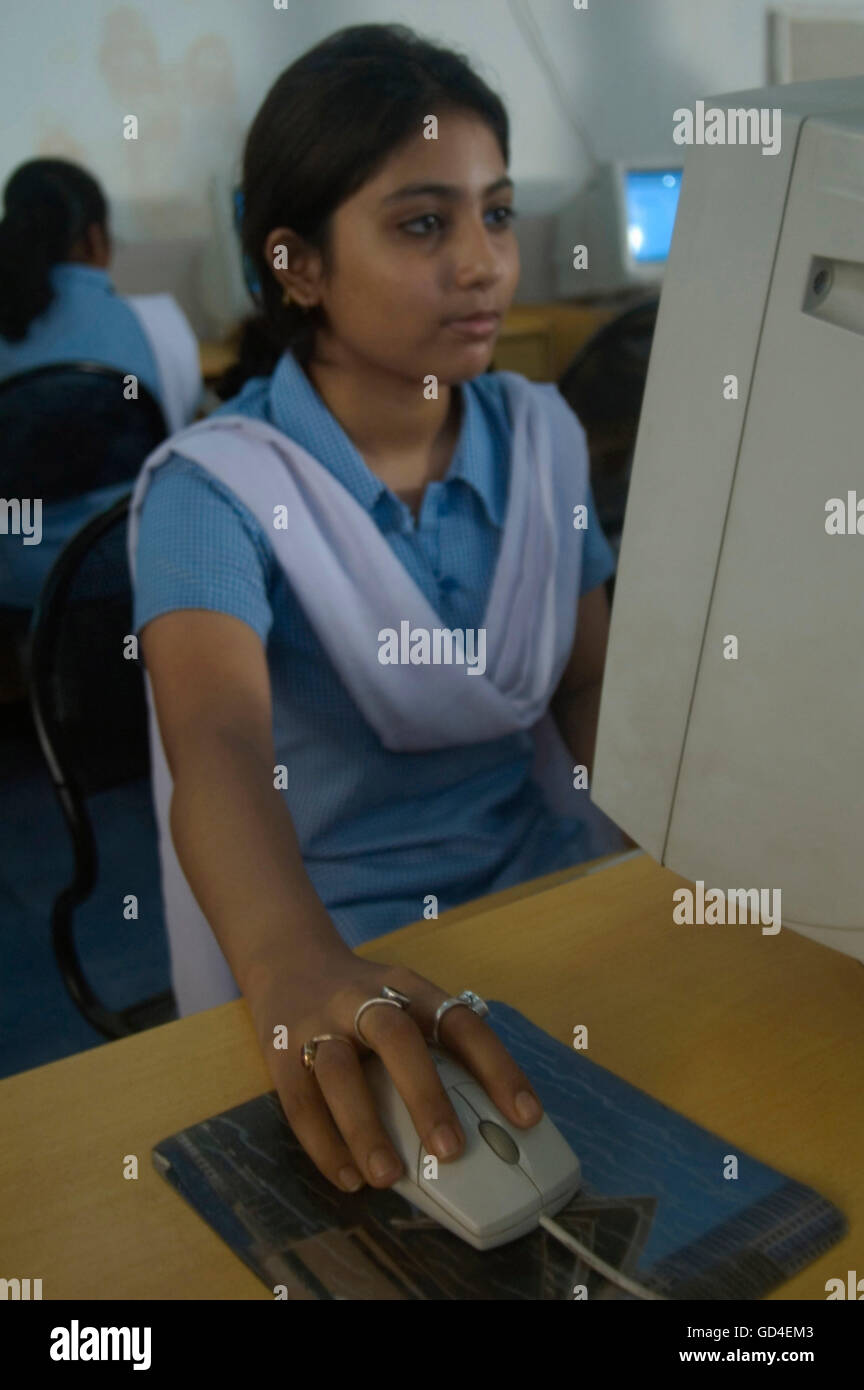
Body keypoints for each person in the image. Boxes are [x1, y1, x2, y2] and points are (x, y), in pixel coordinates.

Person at [129, 23, 625, 1199]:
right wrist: (293, 962)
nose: (483, 264)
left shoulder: (540, 442)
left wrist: (697, 859)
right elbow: (220, 743)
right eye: (422, 225)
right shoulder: (216, 488)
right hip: (345, 952)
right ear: (298, 265)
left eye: (496, 214)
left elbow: (592, 684)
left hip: (554, 903)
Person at [0, 158, 201, 610]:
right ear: (95, 238)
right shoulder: (159, 325)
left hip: (15, 584)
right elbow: (179, 439)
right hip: (136, 569)